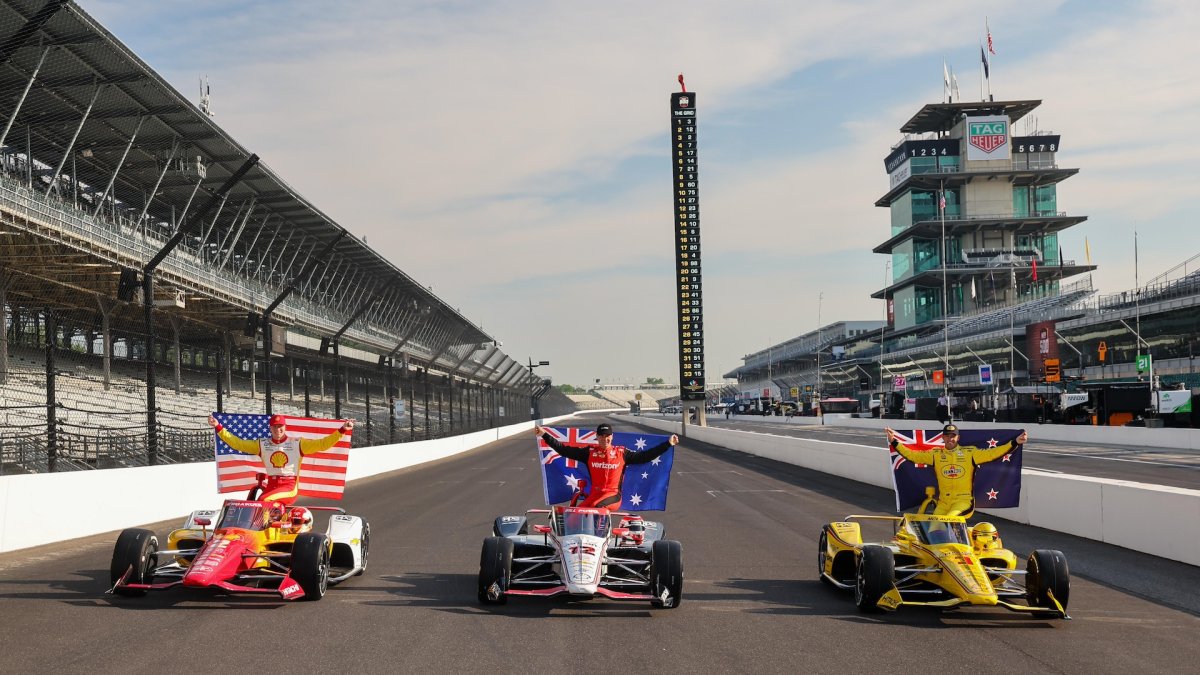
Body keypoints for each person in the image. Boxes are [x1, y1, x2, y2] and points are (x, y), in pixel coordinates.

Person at [884, 423, 1027, 516]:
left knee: (949, 521)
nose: (950, 439)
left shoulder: (970, 453)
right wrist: (894, 441)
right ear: (942, 438)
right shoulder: (935, 454)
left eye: (953, 436)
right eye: (947, 436)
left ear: (958, 438)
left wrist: (1014, 442)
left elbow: (993, 453)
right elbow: (913, 456)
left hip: (963, 502)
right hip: (943, 502)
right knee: (933, 529)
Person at [209, 413, 353, 505]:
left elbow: (323, 444)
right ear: (270, 428)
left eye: (281, 426)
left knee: (263, 501)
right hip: (271, 485)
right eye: (275, 427)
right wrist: (219, 427)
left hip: (289, 487)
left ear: (285, 427)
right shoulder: (262, 444)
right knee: (250, 506)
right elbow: (238, 443)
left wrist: (342, 430)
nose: (278, 430)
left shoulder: (298, 443)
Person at [534, 422, 679, 510]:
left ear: (612, 436)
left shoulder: (622, 453)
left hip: (613, 496)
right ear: (597, 437)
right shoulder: (589, 452)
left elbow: (645, 456)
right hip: (594, 495)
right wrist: (544, 435)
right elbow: (563, 450)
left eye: (608, 436)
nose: (605, 439)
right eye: (602, 436)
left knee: (597, 509)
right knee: (575, 515)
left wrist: (668, 444)